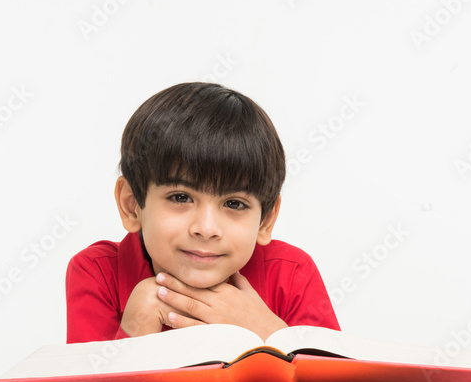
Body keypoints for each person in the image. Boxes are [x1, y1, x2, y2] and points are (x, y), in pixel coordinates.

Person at [65, 82, 339, 343]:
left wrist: (270, 334)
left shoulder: (292, 274)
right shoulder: (98, 272)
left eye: (234, 203)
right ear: (131, 205)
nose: (206, 228)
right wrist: (138, 325)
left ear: (266, 220)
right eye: (180, 197)